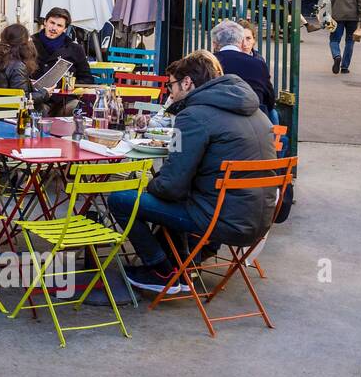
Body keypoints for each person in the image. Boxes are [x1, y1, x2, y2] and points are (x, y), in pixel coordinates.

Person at [107, 50, 276, 294]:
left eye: (171, 85)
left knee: (121, 200)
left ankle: (161, 270)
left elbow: (171, 186)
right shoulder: (256, 112)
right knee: (173, 198)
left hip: (220, 220)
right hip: (258, 220)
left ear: (187, 82)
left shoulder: (192, 116)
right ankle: (183, 265)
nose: (170, 92)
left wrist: (149, 187)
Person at [32, 8, 94, 114]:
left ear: (65, 29)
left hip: (64, 100)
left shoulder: (75, 49)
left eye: (59, 25)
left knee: (76, 109)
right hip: (37, 99)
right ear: (45, 22)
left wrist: (67, 84)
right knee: (36, 111)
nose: (54, 28)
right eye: (52, 23)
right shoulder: (29, 44)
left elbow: (87, 79)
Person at [211, 19, 275, 120]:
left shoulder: (208, 62)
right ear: (238, 41)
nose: (245, 44)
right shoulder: (259, 64)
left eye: (248, 38)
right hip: (253, 117)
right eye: (243, 39)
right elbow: (270, 99)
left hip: (219, 117)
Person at [0, 23, 50, 106]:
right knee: (45, 108)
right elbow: (23, 99)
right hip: (10, 114)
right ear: (24, 44)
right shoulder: (18, 66)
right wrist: (45, 93)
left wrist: (28, 83)